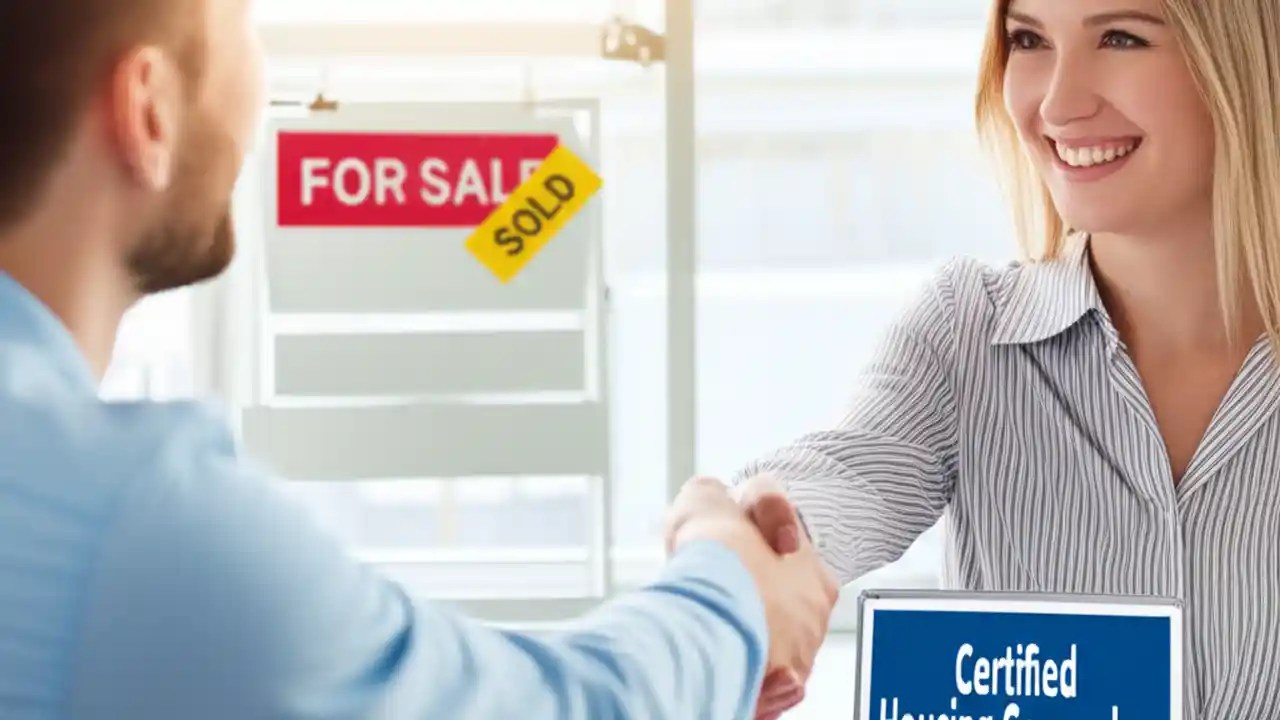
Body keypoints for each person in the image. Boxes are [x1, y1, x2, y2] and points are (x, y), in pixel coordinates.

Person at [0, 1, 840, 719]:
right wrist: (729, 583)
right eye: (243, 23)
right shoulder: (137, 525)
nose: (258, 84)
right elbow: (563, 707)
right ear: (148, 111)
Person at [727, 0, 1280, 717]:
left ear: (1242, 62)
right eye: (1029, 40)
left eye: (1120, 37)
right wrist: (736, 567)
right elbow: (834, 489)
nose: (1057, 102)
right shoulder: (966, 333)